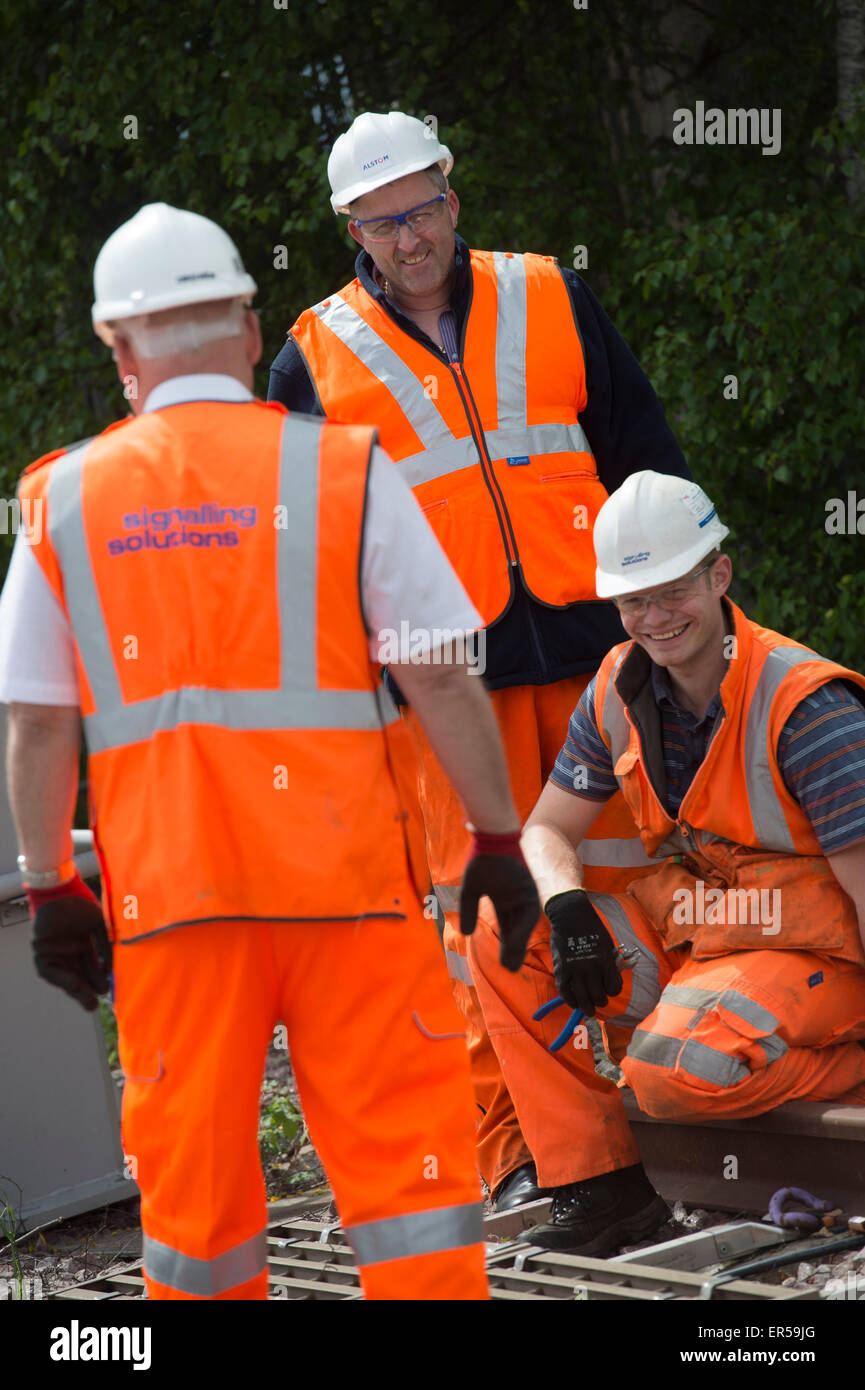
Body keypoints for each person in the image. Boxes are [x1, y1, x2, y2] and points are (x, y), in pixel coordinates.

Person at [0, 202, 543, 1301]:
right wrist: (496, 837)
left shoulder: (64, 498)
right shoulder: (345, 469)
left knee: (196, 1217)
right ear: (250, 332)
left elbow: (38, 718)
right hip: (352, 897)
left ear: (119, 350)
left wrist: (51, 882)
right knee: (414, 1196)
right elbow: (440, 668)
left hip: (177, 910)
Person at [268, 110, 692, 1211]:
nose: (410, 238)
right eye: (382, 220)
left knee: (643, 886)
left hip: (603, 650)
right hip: (445, 688)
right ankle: (569, 1167)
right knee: (497, 920)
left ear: (453, 196)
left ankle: (689, 1118)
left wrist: (679, 599)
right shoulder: (309, 359)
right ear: (350, 228)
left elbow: (642, 451)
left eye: (423, 209)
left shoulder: (549, 292)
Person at [466, 469, 865, 1255]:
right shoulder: (617, 688)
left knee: (668, 1070)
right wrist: (564, 908)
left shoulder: (805, 707)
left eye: (671, 590)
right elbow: (545, 830)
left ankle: (846, 1060)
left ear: (719, 575)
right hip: (704, 939)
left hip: (816, 955)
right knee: (500, 927)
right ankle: (599, 1184)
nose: (651, 617)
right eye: (632, 599)